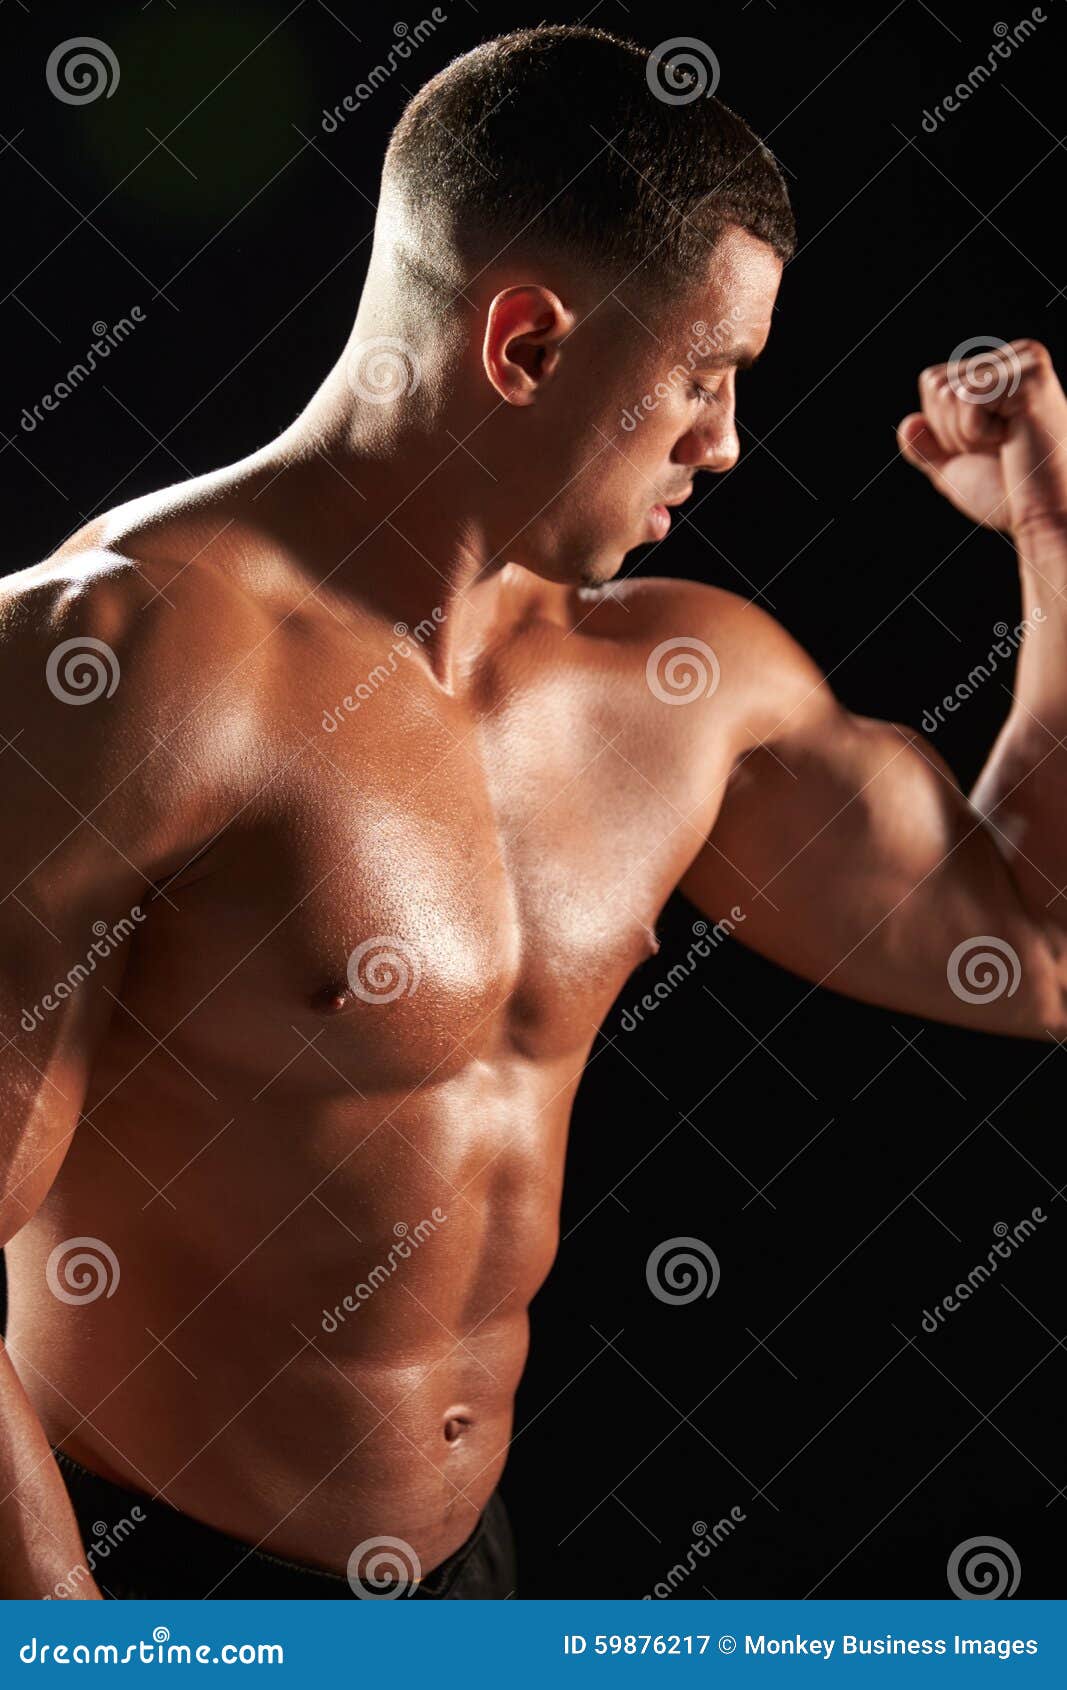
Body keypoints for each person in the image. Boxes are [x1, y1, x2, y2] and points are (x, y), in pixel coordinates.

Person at [1, 24, 1065, 1600]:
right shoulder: (120, 663)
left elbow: (1036, 949)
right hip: (150, 1580)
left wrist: (1053, 533)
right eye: (702, 379)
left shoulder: (681, 685)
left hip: (463, 1575)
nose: (725, 442)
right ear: (525, 346)